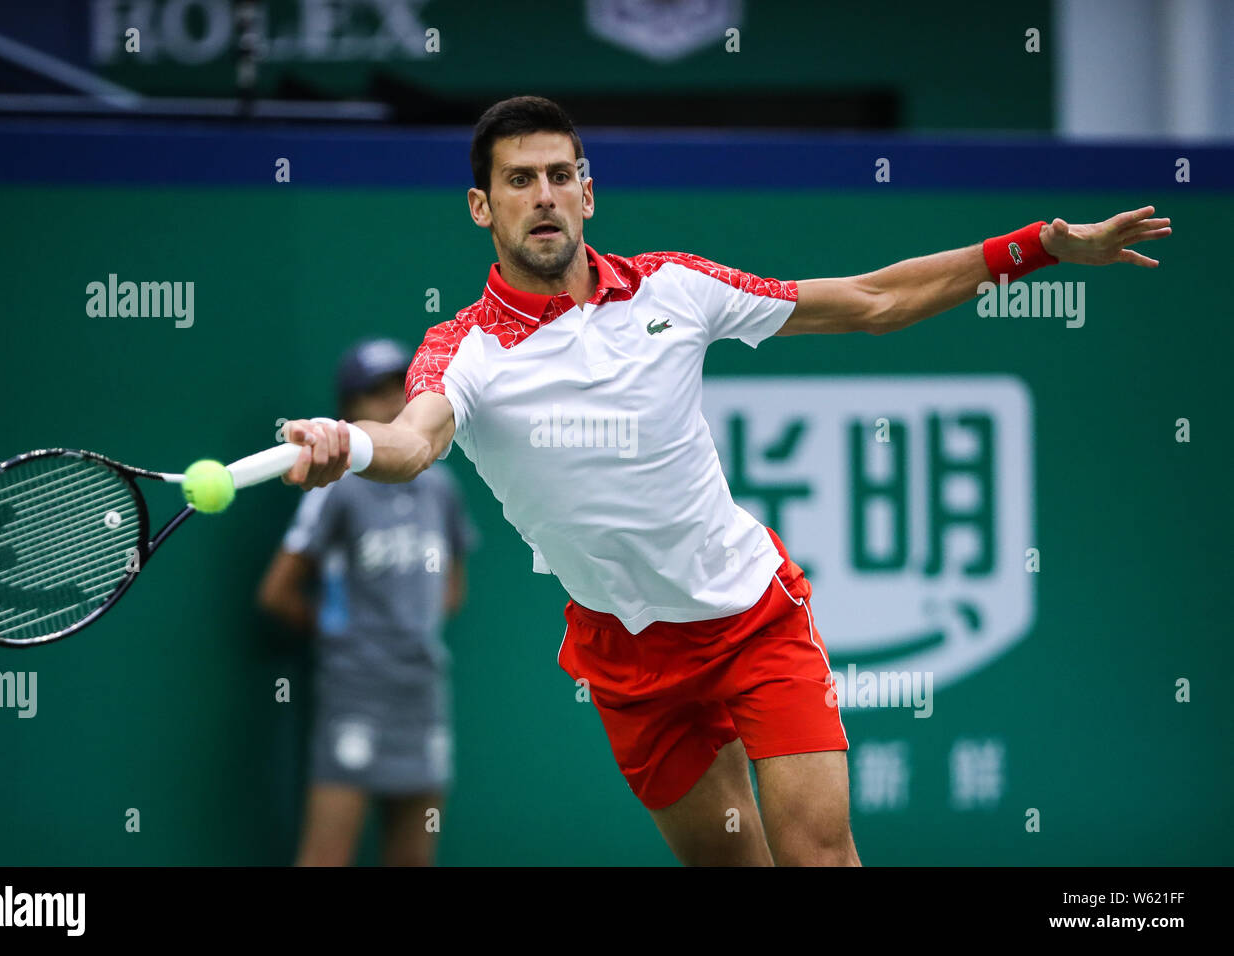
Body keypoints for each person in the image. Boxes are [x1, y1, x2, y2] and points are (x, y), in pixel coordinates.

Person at [275, 97, 1170, 866]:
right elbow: (412, 441)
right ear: (482, 206)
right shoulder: (463, 349)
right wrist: (346, 443)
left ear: (588, 192)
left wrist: (1036, 249)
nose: (543, 195)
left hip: (753, 619)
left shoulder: (675, 288)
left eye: (559, 175)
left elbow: (872, 302)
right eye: (519, 180)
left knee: (818, 854)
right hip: (629, 658)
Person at [258, 338, 476, 866]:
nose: (392, 401)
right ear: (348, 409)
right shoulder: (337, 488)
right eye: (374, 392)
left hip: (422, 690)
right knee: (326, 857)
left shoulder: (440, 487)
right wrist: (345, 633)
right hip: (353, 694)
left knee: (413, 859)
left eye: (399, 387)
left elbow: (453, 586)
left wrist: (410, 628)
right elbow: (277, 593)